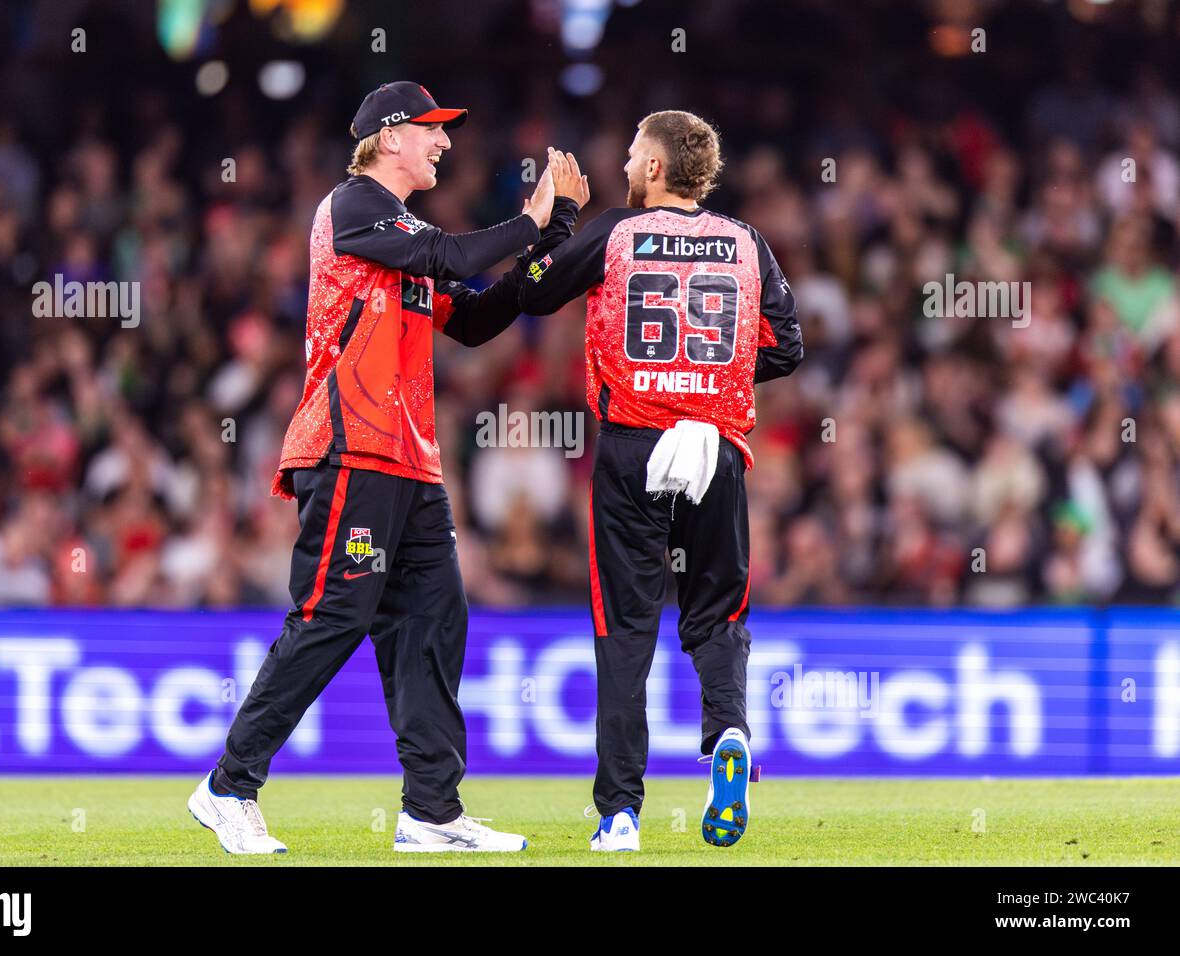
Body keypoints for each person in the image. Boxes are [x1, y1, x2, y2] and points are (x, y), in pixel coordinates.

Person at [188, 81, 588, 854]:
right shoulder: (351, 207)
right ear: (389, 136)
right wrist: (531, 217)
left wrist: (552, 238)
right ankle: (228, 786)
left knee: (436, 619)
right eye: (433, 130)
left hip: (408, 460)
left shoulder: (400, 231)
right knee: (332, 617)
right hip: (349, 451)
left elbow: (472, 318)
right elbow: (450, 254)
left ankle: (431, 811)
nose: (445, 143)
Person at [520, 110, 802, 851]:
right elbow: (788, 344)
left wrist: (558, 225)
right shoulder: (747, 242)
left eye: (631, 152)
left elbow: (536, 291)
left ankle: (619, 813)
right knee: (716, 616)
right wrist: (716, 383)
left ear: (654, 168)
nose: (621, 161)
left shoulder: (615, 233)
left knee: (625, 630)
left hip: (632, 450)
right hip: (715, 450)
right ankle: (730, 731)